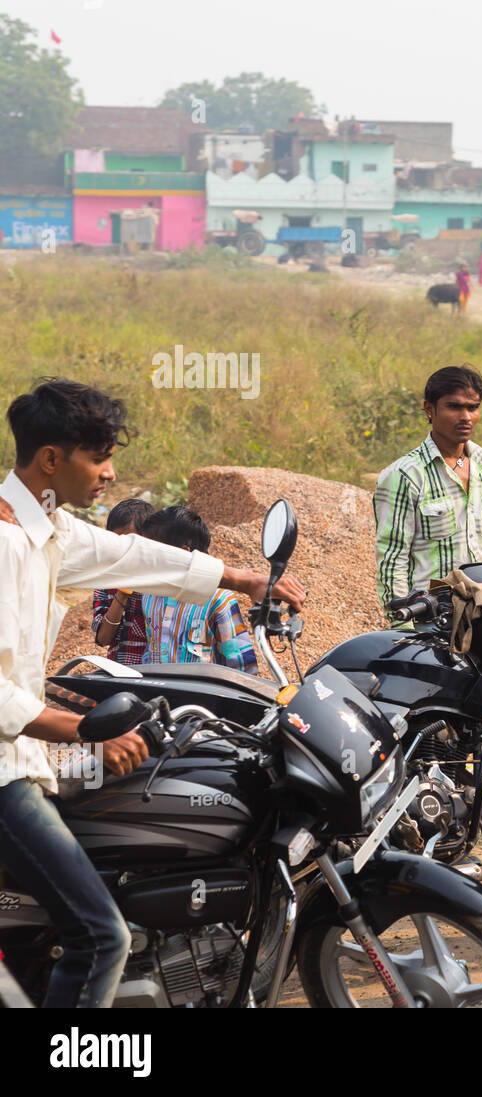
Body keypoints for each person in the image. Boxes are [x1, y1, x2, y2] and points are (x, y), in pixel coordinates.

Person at [0, 380, 304, 1008]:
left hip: (22, 757)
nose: (110, 473)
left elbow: (131, 556)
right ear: (51, 459)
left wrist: (243, 578)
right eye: (98, 458)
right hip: (4, 774)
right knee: (100, 936)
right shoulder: (5, 544)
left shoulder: (45, 529)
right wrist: (83, 731)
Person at [374, 366, 482, 620]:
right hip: (431, 621)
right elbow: (392, 560)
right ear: (429, 409)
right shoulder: (405, 475)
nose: (466, 417)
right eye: (454, 407)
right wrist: (402, 628)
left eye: (473, 407)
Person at [137, 506, 259, 672]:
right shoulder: (149, 595)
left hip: (201, 689)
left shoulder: (218, 600)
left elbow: (242, 666)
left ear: (182, 554)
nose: (146, 559)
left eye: (153, 553)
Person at [90, 497, 155, 665]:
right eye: (116, 542)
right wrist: (123, 593)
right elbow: (103, 638)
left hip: (157, 671)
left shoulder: (161, 578)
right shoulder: (106, 579)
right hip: (120, 670)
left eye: (129, 542)